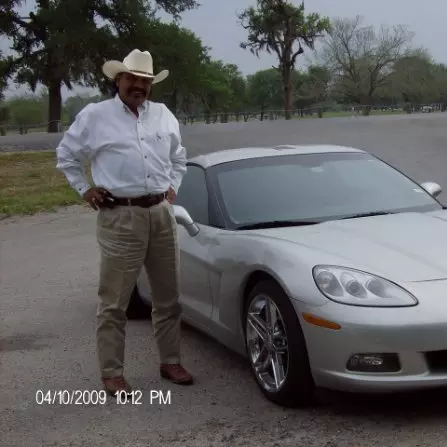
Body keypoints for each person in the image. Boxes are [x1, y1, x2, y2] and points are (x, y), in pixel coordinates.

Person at [56, 48, 193, 395]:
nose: (139, 86)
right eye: (132, 78)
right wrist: (85, 189)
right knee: (114, 302)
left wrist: (173, 187)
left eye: (145, 81)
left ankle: (171, 361)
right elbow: (67, 155)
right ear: (118, 79)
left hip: (161, 213)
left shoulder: (163, 115)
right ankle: (112, 372)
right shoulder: (95, 116)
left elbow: (179, 158)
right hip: (121, 216)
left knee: (169, 297)